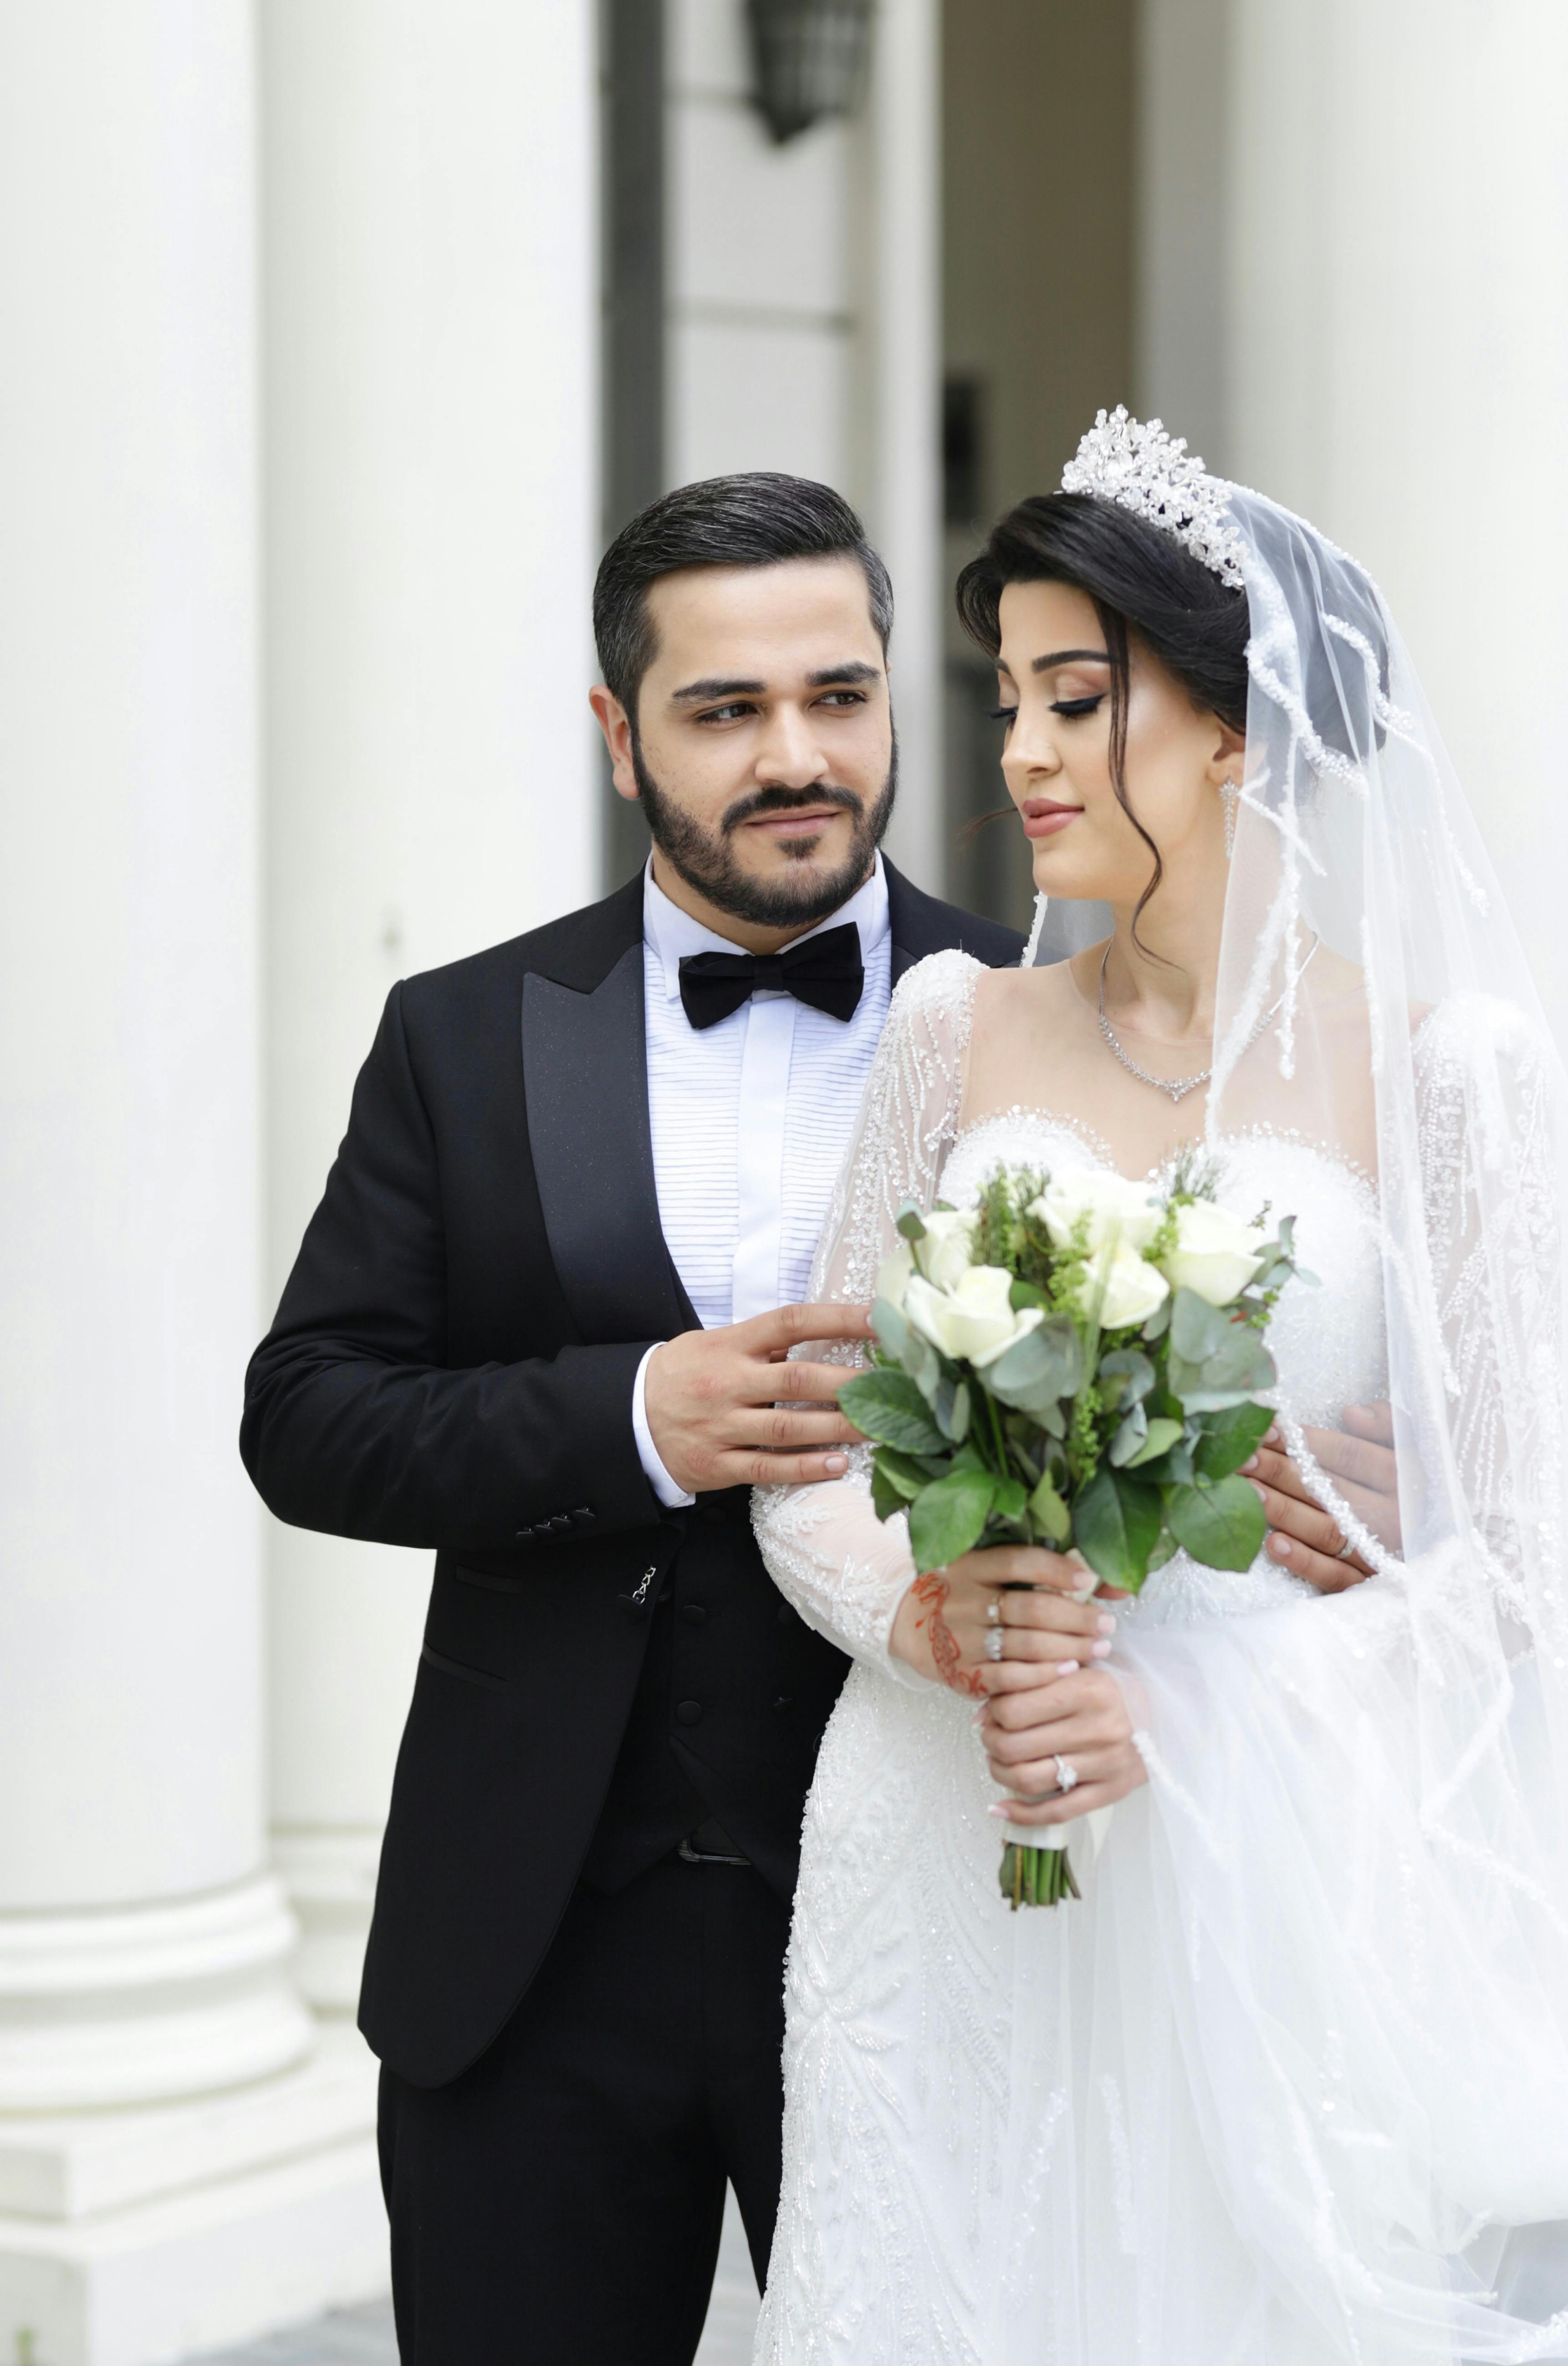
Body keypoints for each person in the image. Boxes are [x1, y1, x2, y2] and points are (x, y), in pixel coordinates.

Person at [749, 414, 1568, 2365]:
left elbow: (1523, 1567)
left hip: (1251, 1874)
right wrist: (941, 1617)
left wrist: (1211, 1705)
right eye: (1007, 699)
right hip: (932, 1827)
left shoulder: (1449, 1079)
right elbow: (814, 1452)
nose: (1018, 753)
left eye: (1074, 697)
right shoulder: (952, 1033)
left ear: (1231, 724)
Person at [241, 474, 1036, 2363]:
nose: (797, 755)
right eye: (724, 708)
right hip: (530, 1950)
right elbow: (311, 1415)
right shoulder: (464, 1032)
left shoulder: (1035, 1018)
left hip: (935, 1920)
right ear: (619, 736)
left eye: (838, 696)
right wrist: (634, 1417)